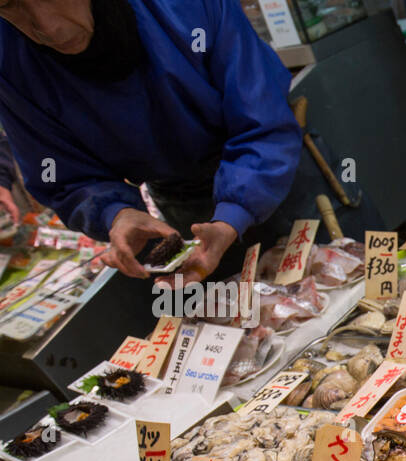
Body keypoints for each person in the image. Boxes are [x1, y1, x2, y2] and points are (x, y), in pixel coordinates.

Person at [0, 0, 303, 283]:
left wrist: (232, 215)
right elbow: (63, 176)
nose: (48, 28)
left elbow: (263, 117)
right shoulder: (9, 61)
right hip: (183, 207)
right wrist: (115, 213)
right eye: (8, 5)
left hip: (276, 172)